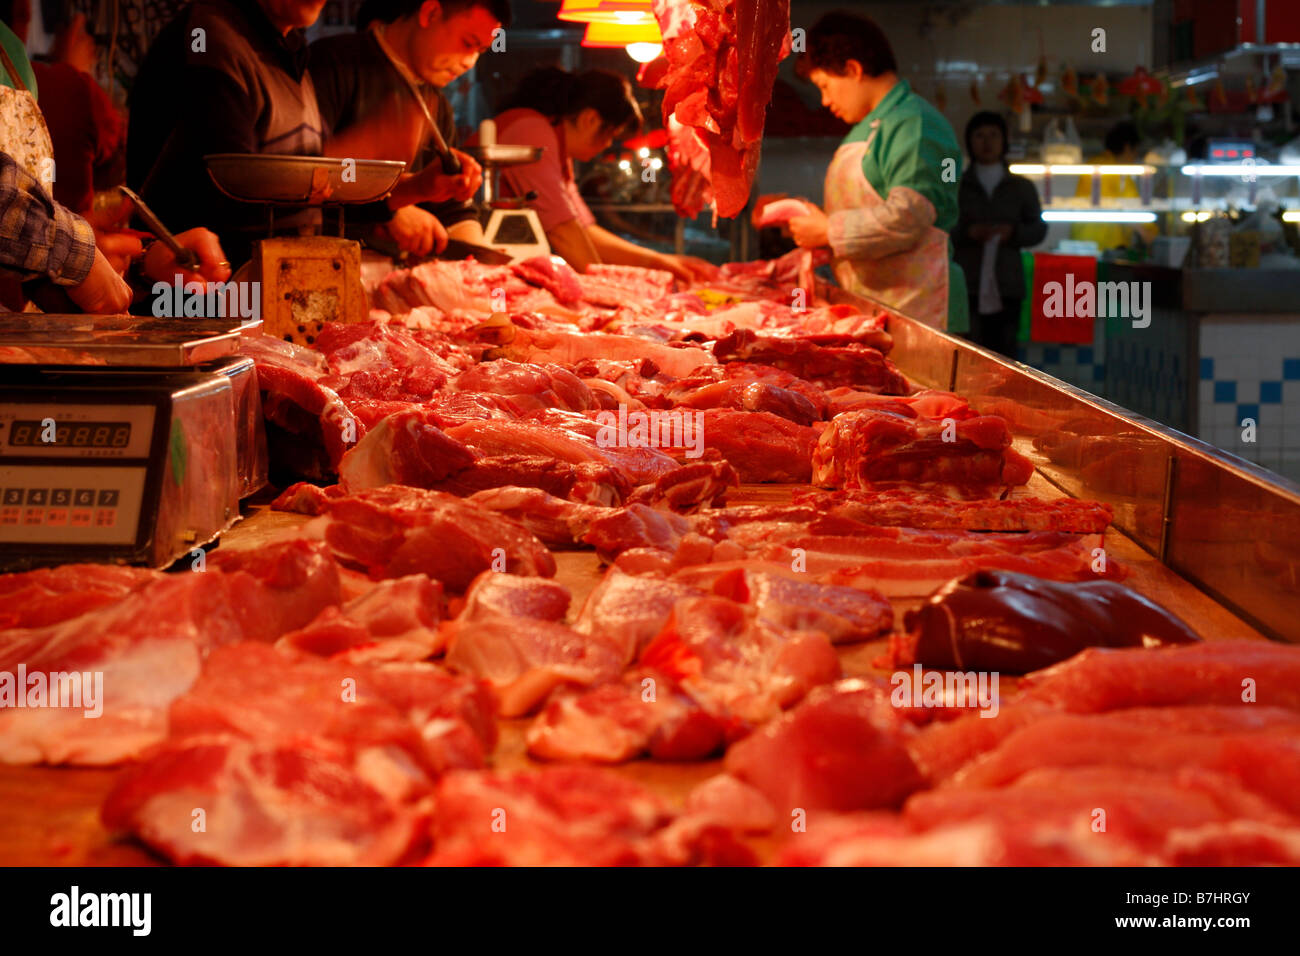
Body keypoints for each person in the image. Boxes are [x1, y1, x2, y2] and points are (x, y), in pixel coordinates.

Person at [757, 11, 967, 331]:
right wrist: (808, 224)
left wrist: (829, 230)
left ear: (853, 70)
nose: (825, 101)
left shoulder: (914, 122)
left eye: (825, 86)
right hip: (877, 307)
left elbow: (910, 216)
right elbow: (866, 216)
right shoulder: (866, 129)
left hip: (920, 313)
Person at [490, 66, 717, 283]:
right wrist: (609, 293)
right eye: (611, 135)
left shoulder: (557, 149)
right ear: (590, 119)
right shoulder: (532, 131)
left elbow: (584, 231)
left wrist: (660, 262)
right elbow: (563, 233)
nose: (607, 145)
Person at [310, 0, 501, 257]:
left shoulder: (437, 104)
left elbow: (453, 210)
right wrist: (393, 211)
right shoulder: (331, 63)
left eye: (481, 50)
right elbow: (301, 181)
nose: (470, 62)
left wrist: (484, 269)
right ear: (430, 13)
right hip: (319, 264)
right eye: (468, 43)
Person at [953, 110, 1046, 356]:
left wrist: (1013, 233)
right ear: (969, 141)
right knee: (968, 351)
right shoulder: (957, 185)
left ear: (1004, 141)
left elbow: (1038, 228)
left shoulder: (1022, 186)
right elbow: (943, 226)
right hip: (966, 284)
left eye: (993, 135)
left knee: (1005, 354)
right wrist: (969, 232)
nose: (987, 142)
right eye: (979, 135)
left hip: (1008, 284)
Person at [1070, 120, 1157, 251]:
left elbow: (1133, 203)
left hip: (1108, 247)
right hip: (1090, 246)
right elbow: (1112, 205)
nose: (1135, 157)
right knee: (1074, 273)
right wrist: (1142, 229)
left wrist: (1149, 229)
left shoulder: (1122, 174)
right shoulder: (1100, 166)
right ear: (1127, 148)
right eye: (1136, 151)